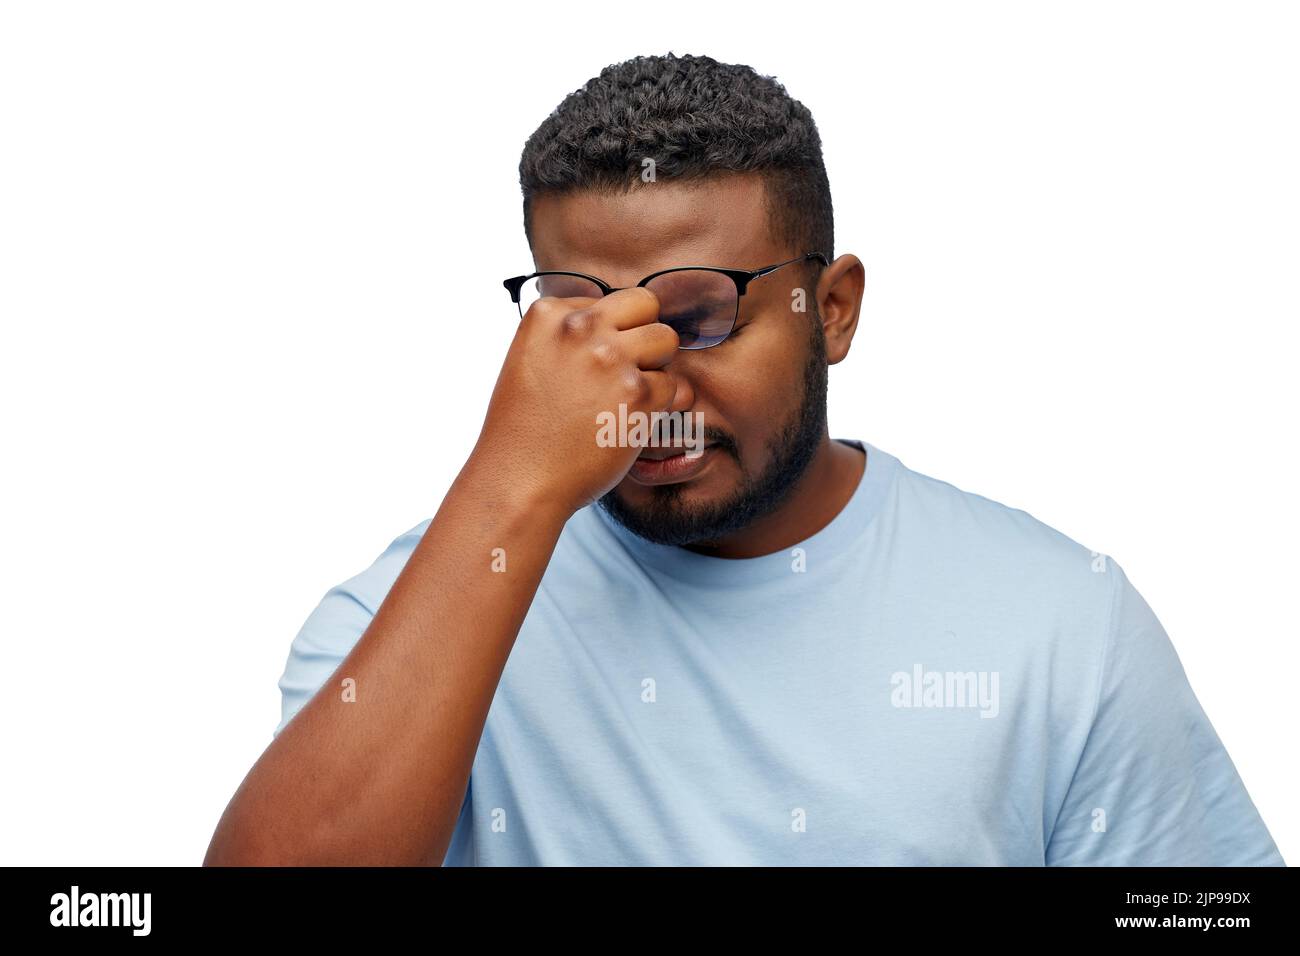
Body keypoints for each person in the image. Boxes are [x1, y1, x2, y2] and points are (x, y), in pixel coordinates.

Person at [204, 52, 1284, 866]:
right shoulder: (403, 617)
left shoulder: (1060, 622)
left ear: (836, 309)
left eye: (700, 314)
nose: (644, 384)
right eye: (581, 322)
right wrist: (510, 484)